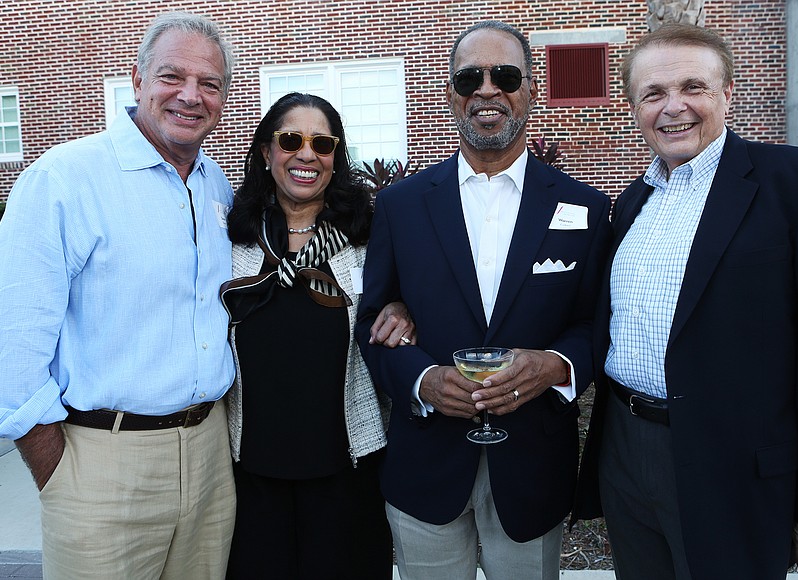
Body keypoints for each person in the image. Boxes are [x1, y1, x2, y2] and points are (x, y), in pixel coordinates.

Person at [572, 23, 798, 580]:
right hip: (626, 452)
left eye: (692, 87)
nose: (673, 107)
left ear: (726, 94)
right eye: (653, 94)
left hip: (735, 468)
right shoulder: (629, 204)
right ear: (633, 107)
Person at [355, 20, 612, 580]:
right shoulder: (400, 206)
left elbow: (594, 321)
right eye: (470, 76)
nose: (487, 89)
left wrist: (556, 366)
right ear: (450, 91)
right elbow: (373, 318)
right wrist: (421, 380)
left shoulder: (586, 208)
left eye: (505, 75)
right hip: (425, 462)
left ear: (530, 90)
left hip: (533, 465)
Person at [0, 12, 237, 580]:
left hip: (210, 459)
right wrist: (59, 472)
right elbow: (14, 346)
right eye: (171, 77)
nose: (190, 95)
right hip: (98, 463)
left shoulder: (216, 186)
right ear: (136, 80)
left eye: (209, 83)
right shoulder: (65, 179)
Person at [220, 92, 414, 579]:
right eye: (291, 140)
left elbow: (410, 301)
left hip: (347, 473)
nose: (307, 154)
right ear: (266, 152)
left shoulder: (368, 243)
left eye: (322, 144)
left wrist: (403, 309)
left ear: (335, 158)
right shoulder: (233, 243)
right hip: (250, 474)